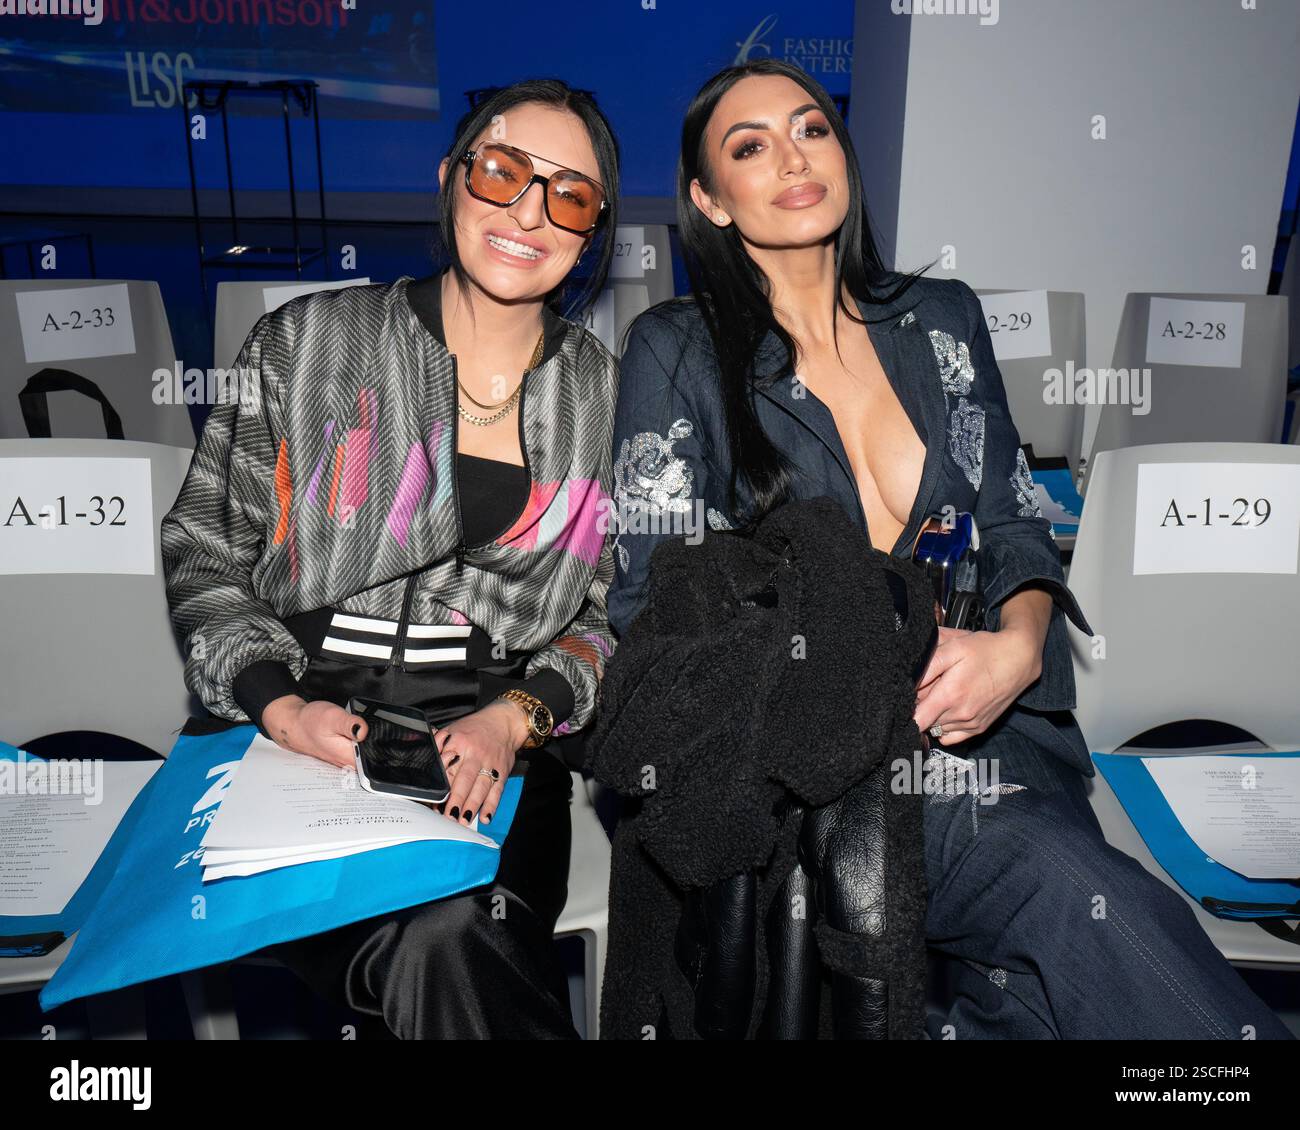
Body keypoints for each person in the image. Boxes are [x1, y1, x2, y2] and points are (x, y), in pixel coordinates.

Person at [605, 58, 1294, 1040]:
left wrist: (1015, 645)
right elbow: (651, 604)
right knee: (1078, 899)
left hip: (988, 723)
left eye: (812, 129)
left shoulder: (940, 320)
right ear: (709, 200)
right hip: (816, 767)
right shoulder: (674, 351)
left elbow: (1012, 519)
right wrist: (859, 671)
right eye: (749, 146)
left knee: (1032, 981)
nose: (793, 158)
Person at [160, 78, 621, 1039]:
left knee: (455, 931)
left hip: (489, 747)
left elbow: (609, 619)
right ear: (451, 178)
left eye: (568, 194)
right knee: (445, 951)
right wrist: (281, 707)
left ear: (593, 233)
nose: (529, 212)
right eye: (502, 172)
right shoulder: (307, 342)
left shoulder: (605, 398)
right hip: (294, 726)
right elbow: (204, 548)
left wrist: (516, 718)